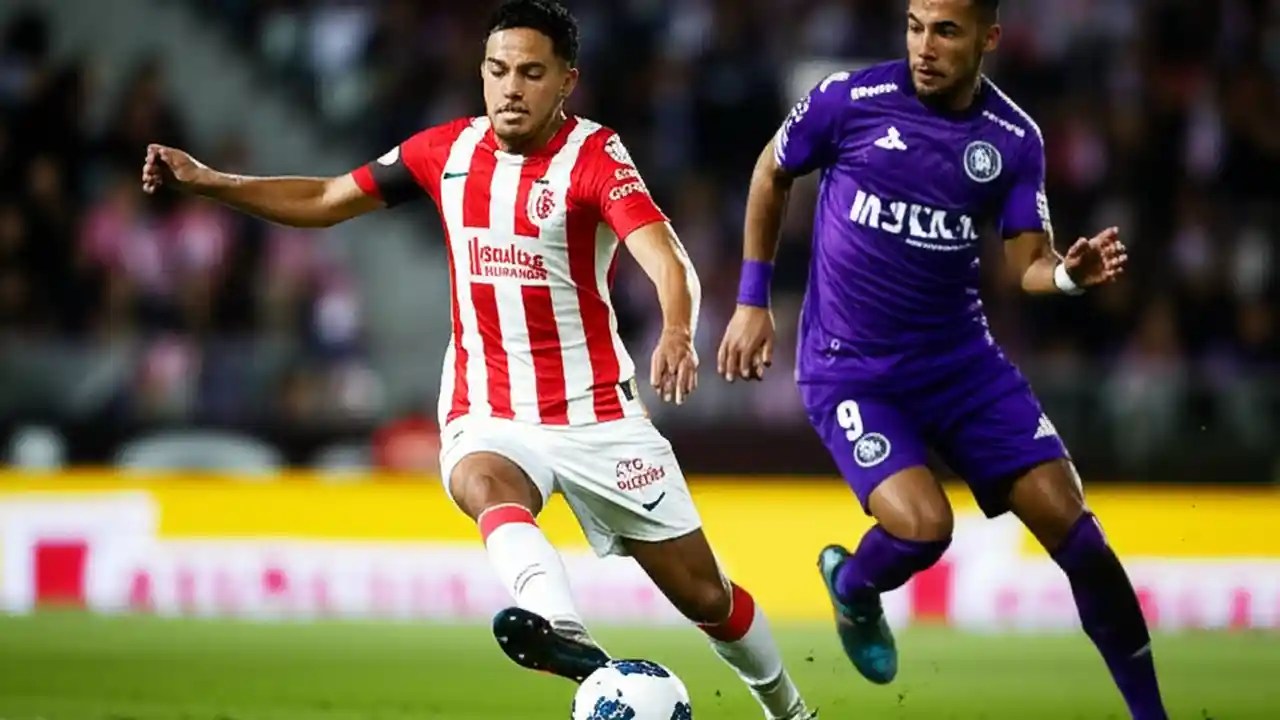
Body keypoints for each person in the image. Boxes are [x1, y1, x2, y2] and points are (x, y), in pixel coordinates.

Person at [142, 1, 814, 718]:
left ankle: (789, 709)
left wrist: (677, 330)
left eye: (531, 73)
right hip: (487, 404)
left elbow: (666, 257)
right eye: (498, 71)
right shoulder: (445, 151)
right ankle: (564, 632)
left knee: (706, 597)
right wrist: (210, 181)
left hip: (594, 414)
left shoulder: (595, 156)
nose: (511, 89)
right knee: (481, 480)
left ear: (567, 82)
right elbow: (328, 196)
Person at [716, 1, 1168, 718]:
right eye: (915, 25)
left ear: (989, 38)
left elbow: (1028, 263)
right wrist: (751, 301)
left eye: (946, 31)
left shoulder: (1013, 139)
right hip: (852, 369)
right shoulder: (848, 100)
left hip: (962, 367)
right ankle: (855, 586)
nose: (924, 46)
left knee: (1081, 539)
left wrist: (1067, 276)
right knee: (925, 528)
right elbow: (771, 171)